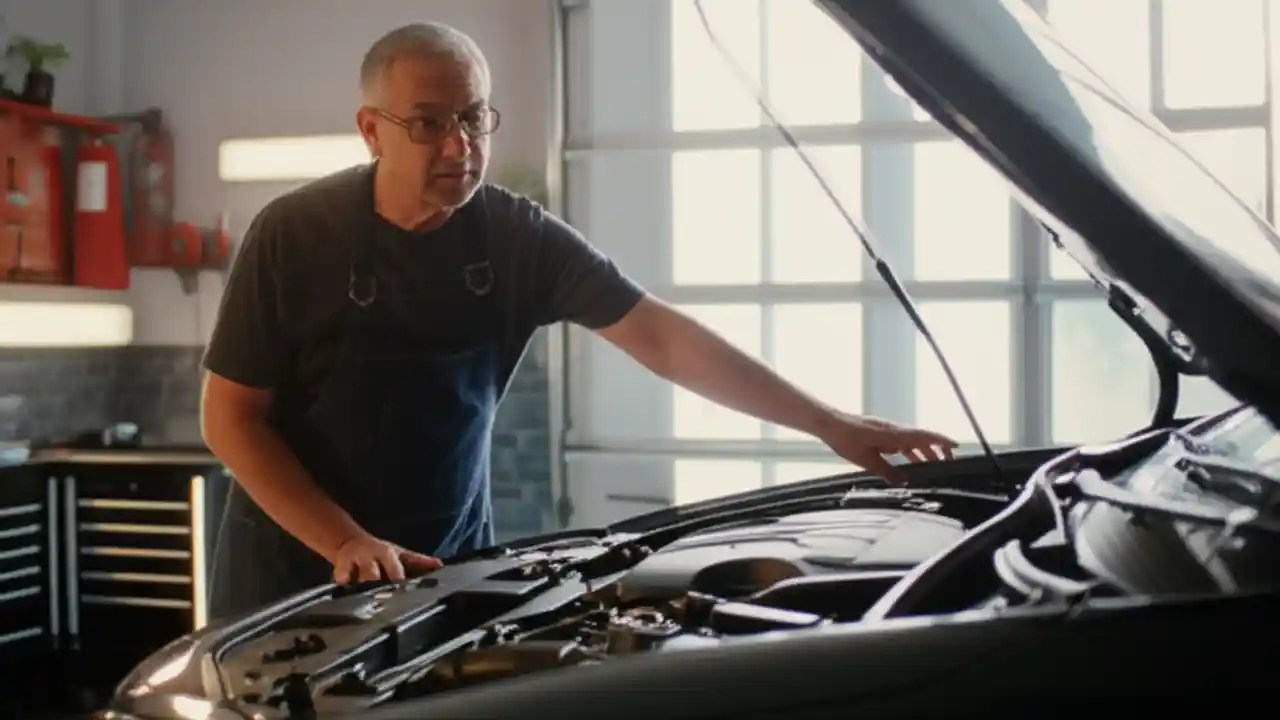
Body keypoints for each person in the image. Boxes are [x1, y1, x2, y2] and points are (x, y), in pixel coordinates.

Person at [201, 21, 958, 620]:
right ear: (372, 131)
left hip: (442, 566)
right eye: (428, 124)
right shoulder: (293, 234)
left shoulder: (516, 238)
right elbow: (231, 420)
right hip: (292, 575)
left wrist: (828, 423)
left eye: (474, 118)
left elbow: (661, 337)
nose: (460, 146)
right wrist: (345, 541)